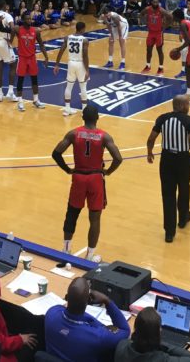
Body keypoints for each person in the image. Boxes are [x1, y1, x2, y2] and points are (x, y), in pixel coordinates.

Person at [52, 105, 123, 262]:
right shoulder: (104, 136)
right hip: (95, 179)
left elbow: (56, 153)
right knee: (95, 218)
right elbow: (118, 158)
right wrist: (108, 171)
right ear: (97, 118)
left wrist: (67, 170)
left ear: (82, 117)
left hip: (78, 177)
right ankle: (90, 255)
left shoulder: (73, 133)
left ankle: (66, 250)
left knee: (72, 213)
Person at [146, 95, 190, 243]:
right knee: (184, 188)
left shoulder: (162, 118)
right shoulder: (189, 121)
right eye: (187, 104)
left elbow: (151, 138)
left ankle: (169, 232)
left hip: (166, 159)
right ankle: (183, 218)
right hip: (183, 159)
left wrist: (149, 152)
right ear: (182, 106)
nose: (189, 106)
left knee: (168, 194)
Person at [44, 277, 130, 362]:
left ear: (66, 297)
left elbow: (69, 312)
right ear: (89, 300)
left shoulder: (51, 313)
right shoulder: (98, 336)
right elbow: (125, 330)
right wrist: (107, 300)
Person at [114, 307, 190, 362]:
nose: (161, 329)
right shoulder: (160, 359)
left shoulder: (122, 345)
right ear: (156, 332)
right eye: (159, 327)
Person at [12, 14, 49, 112]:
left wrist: (46, 57)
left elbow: (41, 44)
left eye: (30, 19)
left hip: (32, 58)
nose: (29, 20)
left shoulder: (36, 31)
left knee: (34, 79)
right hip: (22, 58)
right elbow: (8, 29)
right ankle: (20, 102)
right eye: (27, 19)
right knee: (20, 80)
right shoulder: (18, 29)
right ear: (23, 20)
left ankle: (36, 100)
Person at [53, 21, 90, 117]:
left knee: (69, 86)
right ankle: (85, 111)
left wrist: (57, 64)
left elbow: (61, 50)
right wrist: (87, 70)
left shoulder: (68, 37)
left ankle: (67, 109)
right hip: (80, 63)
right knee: (83, 87)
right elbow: (85, 55)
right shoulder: (84, 40)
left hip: (70, 63)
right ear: (83, 29)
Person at [142, 0, 171, 75]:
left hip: (158, 33)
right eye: (154, 2)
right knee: (148, 50)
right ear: (152, 2)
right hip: (151, 32)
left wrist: (165, 26)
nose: (155, 4)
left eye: (157, 2)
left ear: (158, 3)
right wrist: (146, 22)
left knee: (159, 50)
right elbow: (141, 14)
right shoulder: (148, 9)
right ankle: (148, 66)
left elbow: (170, 17)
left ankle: (160, 68)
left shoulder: (161, 10)